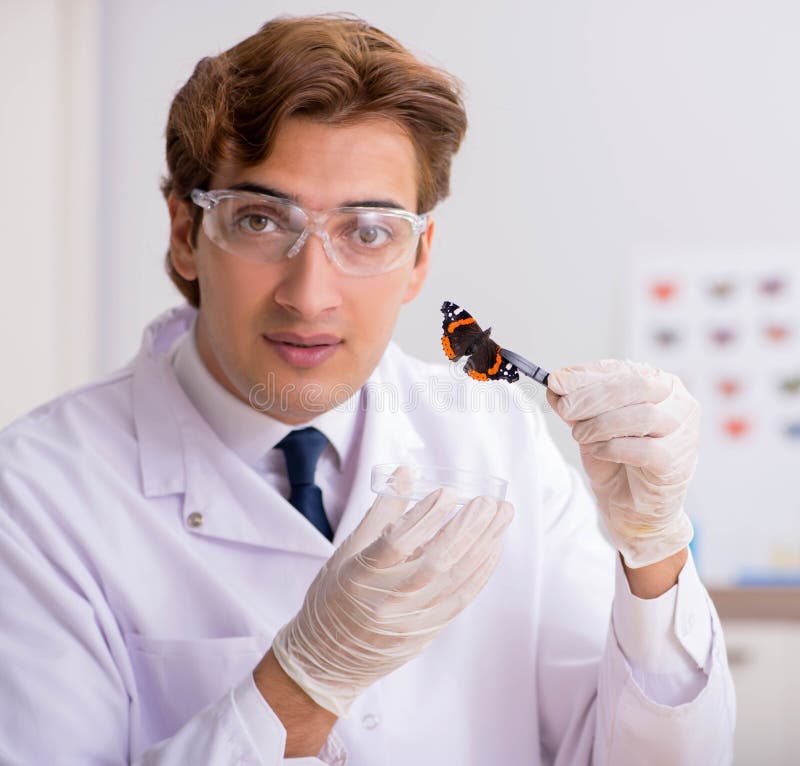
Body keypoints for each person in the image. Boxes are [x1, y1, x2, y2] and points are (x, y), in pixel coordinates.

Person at [0, 14, 734, 766]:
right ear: (186, 233)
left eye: (369, 231)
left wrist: (653, 556)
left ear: (419, 258)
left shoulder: (498, 437)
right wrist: (301, 684)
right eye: (259, 219)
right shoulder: (37, 495)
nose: (310, 295)